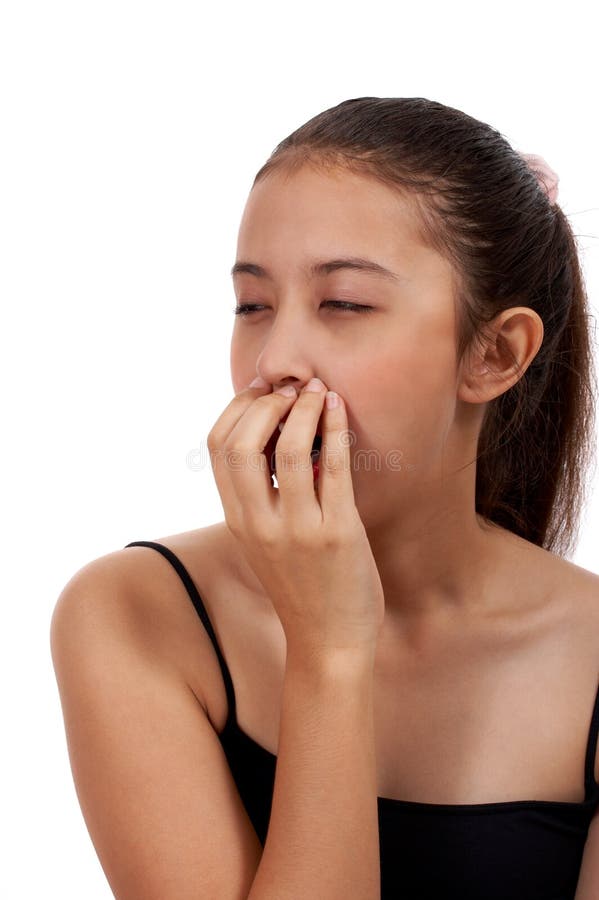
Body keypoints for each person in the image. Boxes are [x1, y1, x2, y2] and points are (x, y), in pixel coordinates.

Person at [50, 96, 599, 899]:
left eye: (343, 304)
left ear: (494, 354)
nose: (273, 360)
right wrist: (331, 652)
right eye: (252, 306)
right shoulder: (134, 613)